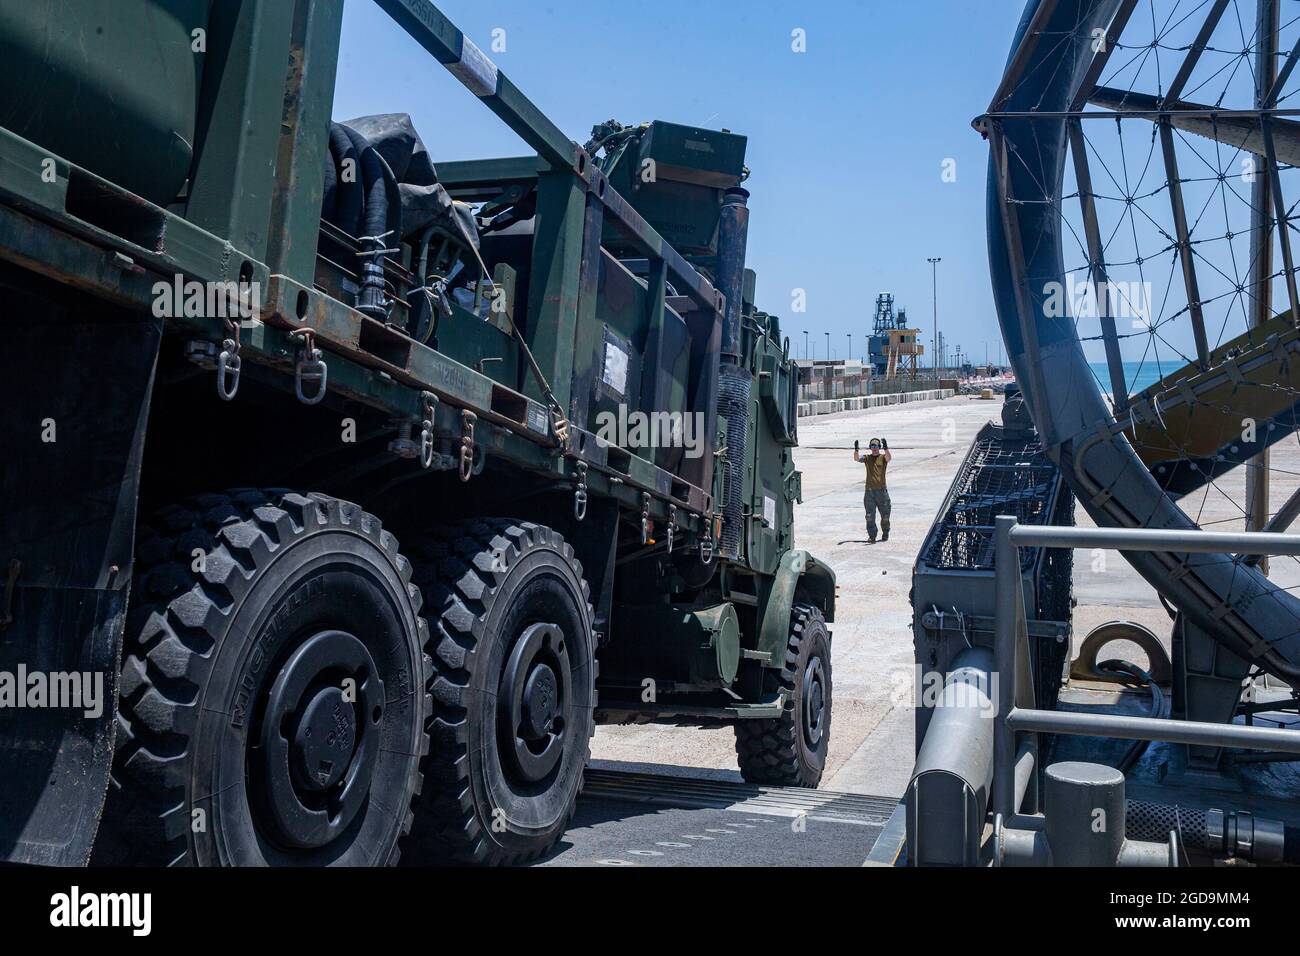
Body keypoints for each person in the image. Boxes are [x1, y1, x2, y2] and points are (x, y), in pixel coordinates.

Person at [853, 437, 891, 544]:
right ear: (870, 448)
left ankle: (885, 533)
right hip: (869, 492)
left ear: (879, 447)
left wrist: (886, 448)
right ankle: (872, 536)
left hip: (882, 492)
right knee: (869, 516)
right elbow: (856, 459)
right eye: (872, 446)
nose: (874, 448)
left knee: (885, 516)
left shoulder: (883, 458)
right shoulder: (867, 458)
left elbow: (889, 458)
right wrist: (856, 449)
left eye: (876, 446)